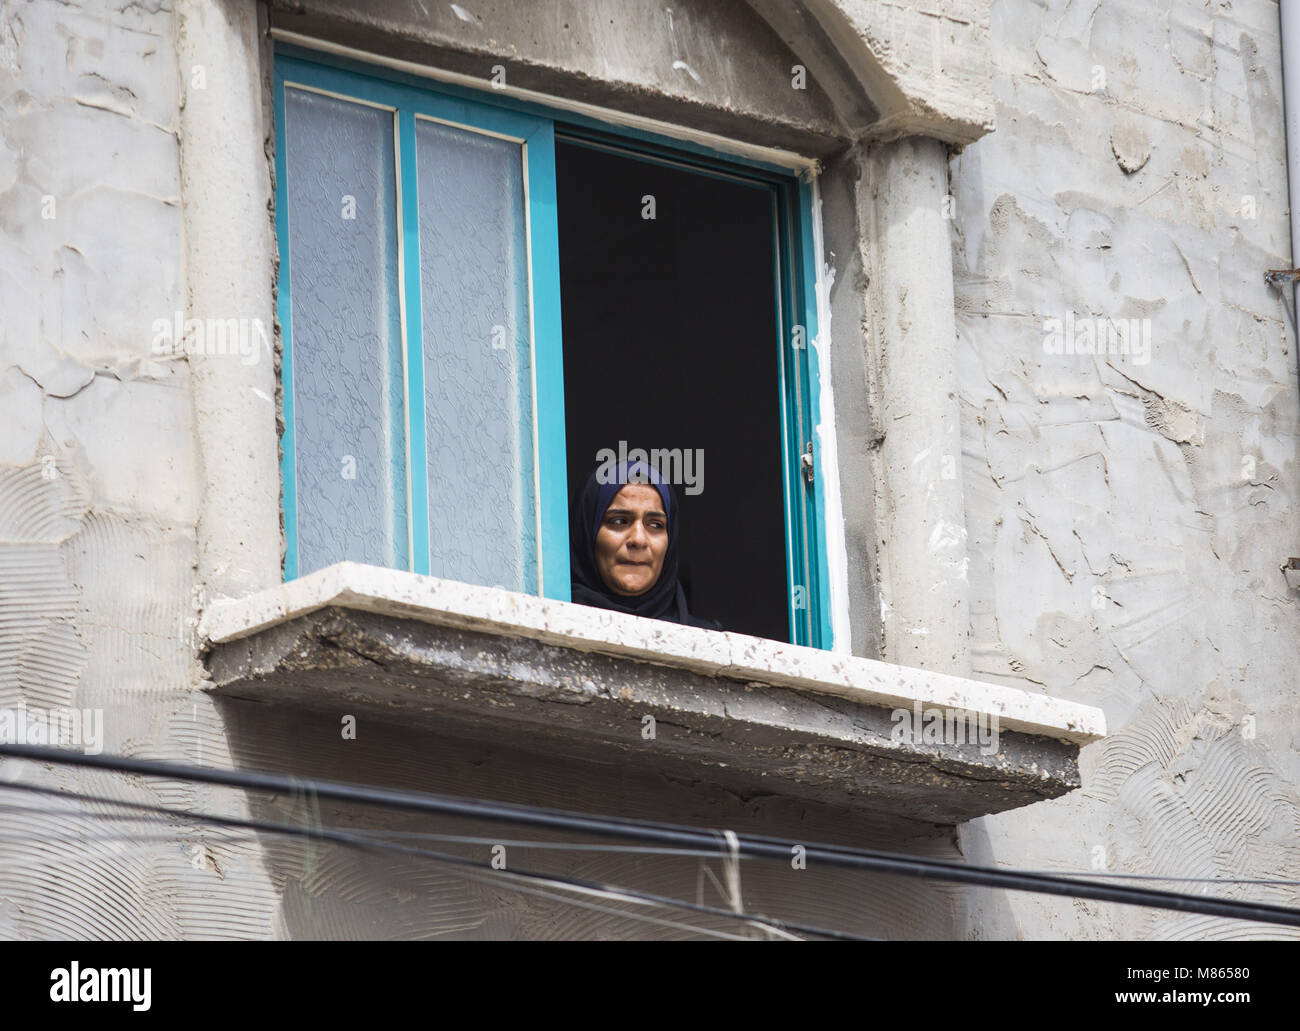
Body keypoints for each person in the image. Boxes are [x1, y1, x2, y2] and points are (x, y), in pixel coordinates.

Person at [569, 458, 723, 630]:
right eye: (619, 521)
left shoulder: (709, 642)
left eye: (656, 525)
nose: (638, 540)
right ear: (587, 532)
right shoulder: (556, 621)